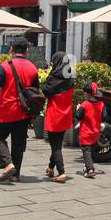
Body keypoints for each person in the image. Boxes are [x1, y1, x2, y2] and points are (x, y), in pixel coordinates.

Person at [0, 39, 40, 182]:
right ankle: (15, 175)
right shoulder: (33, 68)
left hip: (5, 111)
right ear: (26, 51)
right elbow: (35, 92)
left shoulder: (5, 67)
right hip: (24, 112)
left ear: (11, 50)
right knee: (18, 144)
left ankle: (8, 164)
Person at [41, 51, 74, 183]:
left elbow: (45, 91)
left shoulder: (53, 78)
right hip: (65, 114)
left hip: (54, 114)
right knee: (57, 143)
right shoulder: (70, 77)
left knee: (55, 145)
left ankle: (61, 172)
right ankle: (50, 167)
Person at [74, 81, 104, 179]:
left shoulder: (85, 105)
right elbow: (105, 116)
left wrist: (78, 109)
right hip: (96, 133)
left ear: (87, 94)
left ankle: (90, 169)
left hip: (86, 133)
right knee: (91, 151)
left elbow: (78, 116)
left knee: (86, 151)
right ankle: (87, 166)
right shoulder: (101, 104)